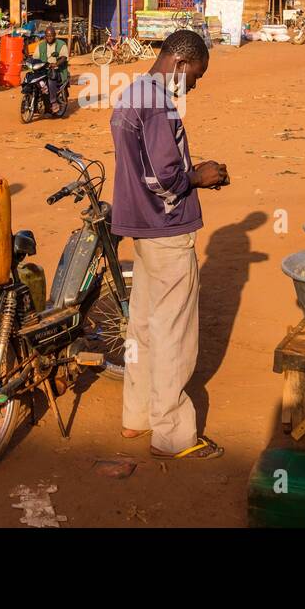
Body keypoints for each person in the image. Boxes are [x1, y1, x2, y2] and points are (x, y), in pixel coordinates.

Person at [110, 29, 229, 460]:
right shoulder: (159, 103)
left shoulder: (131, 93)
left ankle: (136, 416)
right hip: (167, 230)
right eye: (195, 75)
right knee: (172, 333)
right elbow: (163, 177)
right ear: (180, 63)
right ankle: (173, 434)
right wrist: (200, 176)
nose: (194, 84)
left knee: (142, 326)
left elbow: (142, 168)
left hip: (140, 228)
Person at [34, 25, 69, 114]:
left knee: (50, 79)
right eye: (47, 35)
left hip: (58, 70)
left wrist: (55, 64)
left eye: (51, 35)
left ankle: (53, 102)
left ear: (54, 35)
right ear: (45, 36)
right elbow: (35, 57)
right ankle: (33, 103)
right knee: (32, 79)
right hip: (43, 69)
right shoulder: (40, 45)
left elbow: (64, 57)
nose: (49, 37)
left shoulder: (61, 44)